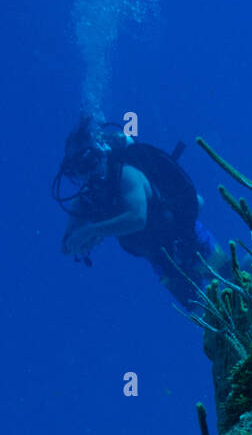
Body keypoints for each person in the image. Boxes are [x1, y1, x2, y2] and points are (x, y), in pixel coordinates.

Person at [53, 116, 222, 306]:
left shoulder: (126, 175)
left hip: (190, 238)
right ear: (73, 172)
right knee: (202, 313)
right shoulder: (84, 202)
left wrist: (91, 231)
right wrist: (75, 242)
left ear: (102, 155)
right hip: (161, 261)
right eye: (80, 168)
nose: (90, 173)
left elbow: (137, 218)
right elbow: (67, 245)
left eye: (91, 162)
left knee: (237, 279)